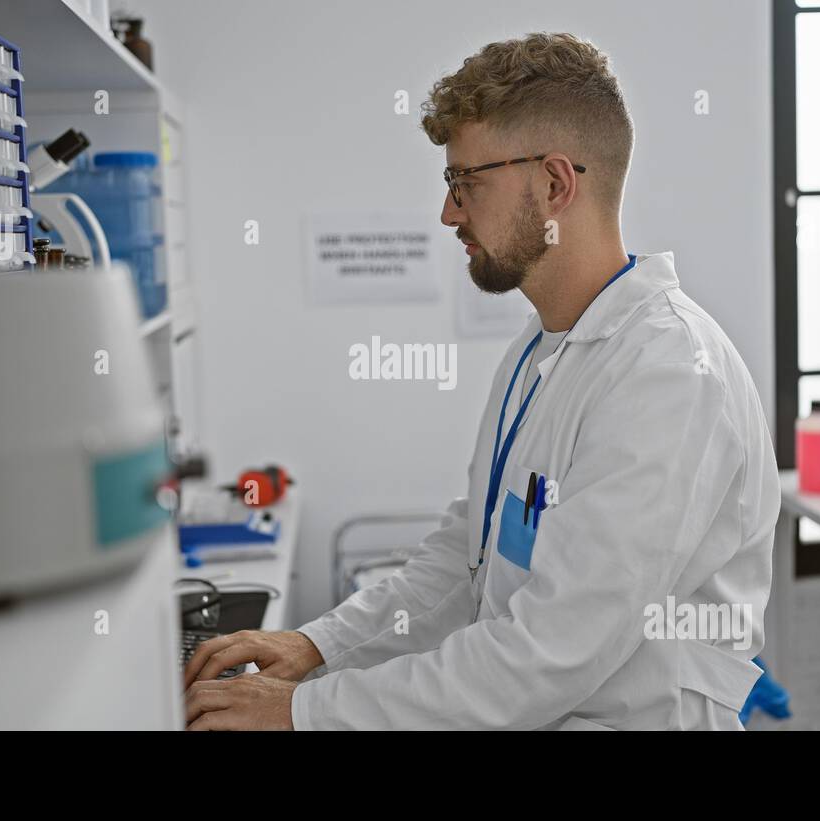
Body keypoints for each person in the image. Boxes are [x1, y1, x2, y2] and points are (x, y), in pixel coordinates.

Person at [183, 31, 780, 730]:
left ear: (555, 184)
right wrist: (318, 644)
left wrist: (304, 711)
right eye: (450, 183)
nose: (449, 212)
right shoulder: (542, 350)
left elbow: (545, 653)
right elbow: (467, 555)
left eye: (468, 182)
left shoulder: (669, 374)